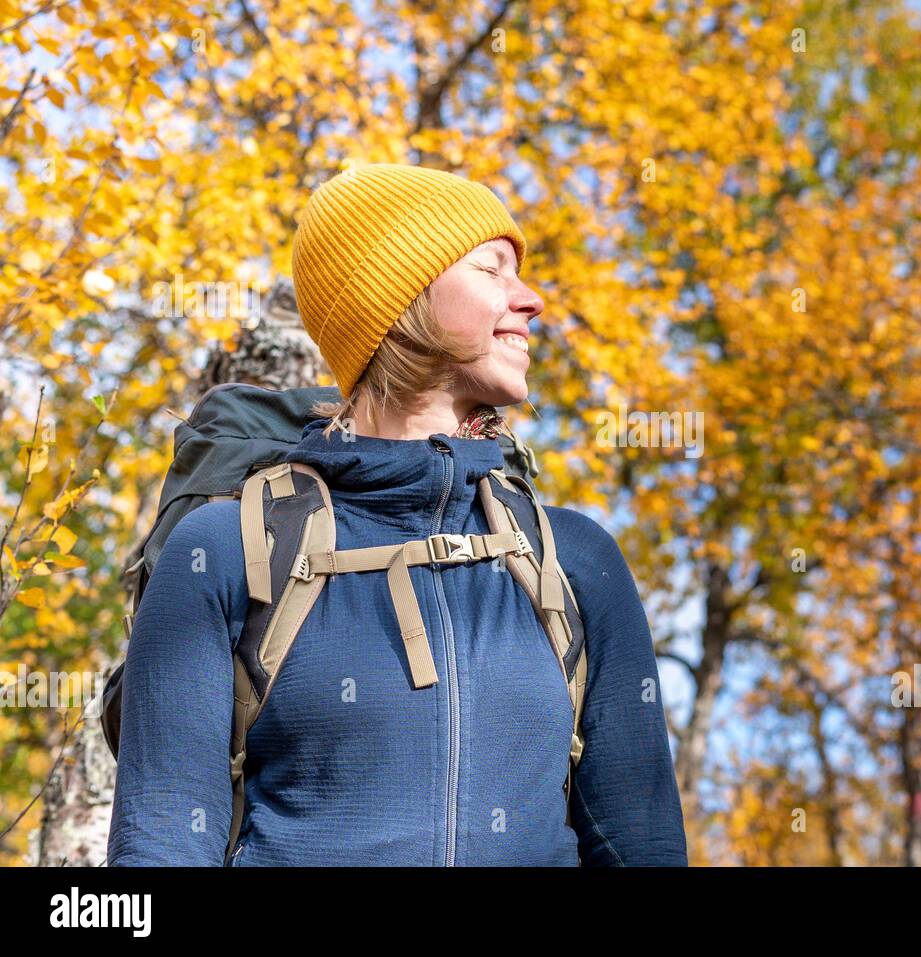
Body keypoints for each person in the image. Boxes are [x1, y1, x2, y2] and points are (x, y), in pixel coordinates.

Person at [107, 163, 688, 866]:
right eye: (491, 269)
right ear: (400, 297)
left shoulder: (576, 559)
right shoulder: (227, 552)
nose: (530, 299)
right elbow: (159, 849)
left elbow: (642, 846)